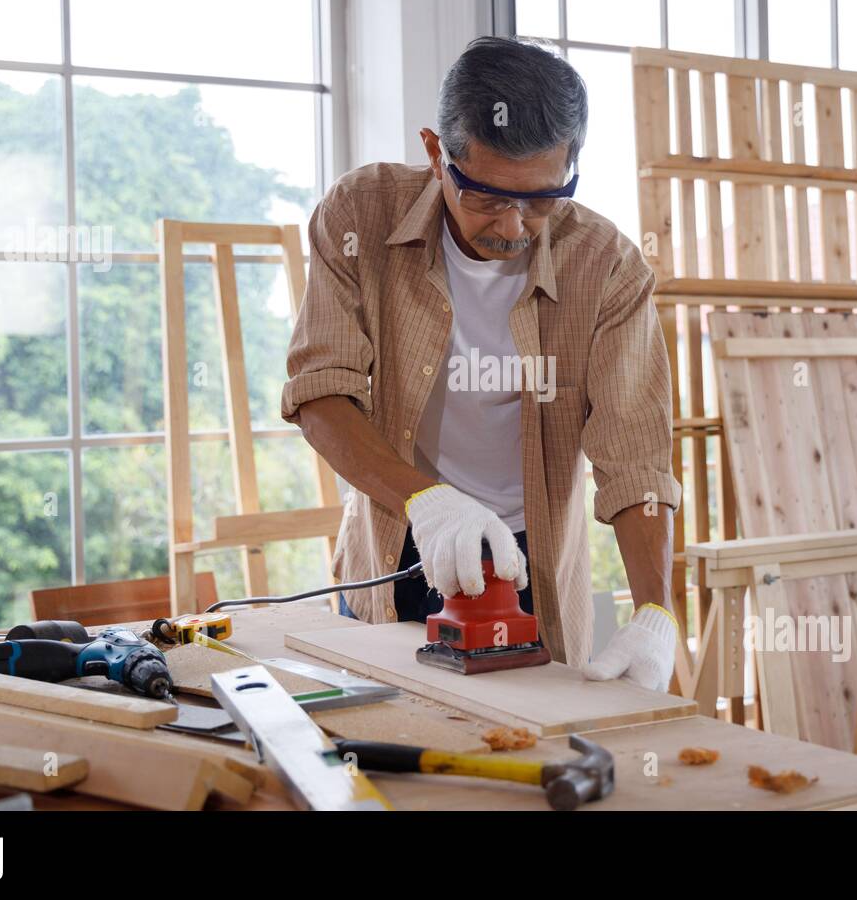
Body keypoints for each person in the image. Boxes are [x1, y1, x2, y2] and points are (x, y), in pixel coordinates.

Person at [281, 36, 681, 691]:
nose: (515, 226)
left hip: (533, 559)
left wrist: (655, 612)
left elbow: (635, 455)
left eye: (541, 199)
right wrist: (428, 501)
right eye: (488, 197)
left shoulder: (607, 267)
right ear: (437, 154)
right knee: (385, 740)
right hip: (397, 532)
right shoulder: (359, 214)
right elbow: (321, 393)